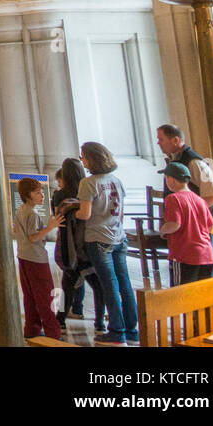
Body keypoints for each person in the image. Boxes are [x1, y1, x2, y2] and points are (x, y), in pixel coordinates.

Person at [76, 141, 138, 346]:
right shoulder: (116, 180)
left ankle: (117, 331)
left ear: (91, 159)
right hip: (118, 236)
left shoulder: (88, 183)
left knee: (109, 285)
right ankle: (131, 328)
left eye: (83, 156)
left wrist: (71, 210)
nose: (82, 160)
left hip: (99, 238)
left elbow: (85, 214)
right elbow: (120, 212)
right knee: (124, 284)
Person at [52, 157, 105, 331]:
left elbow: (57, 217)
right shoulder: (86, 190)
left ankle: (60, 320)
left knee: (66, 286)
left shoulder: (59, 195)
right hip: (87, 243)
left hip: (69, 244)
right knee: (98, 285)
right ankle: (99, 323)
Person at [156, 123, 213, 258]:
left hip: (202, 228)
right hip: (188, 230)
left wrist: (189, 214)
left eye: (161, 139)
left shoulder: (195, 163)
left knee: (207, 267)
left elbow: (212, 195)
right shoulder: (175, 161)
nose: (158, 143)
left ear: (175, 140)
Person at [13, 177, 64, 340]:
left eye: (41, 192)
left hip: (24, 256)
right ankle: (53, 333)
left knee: (30, 296)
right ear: (28, 195)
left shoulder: (21, 209)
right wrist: (50, 227)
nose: (42, 195)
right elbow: (33, 237)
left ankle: (32, 329)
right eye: (37, 193)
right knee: (45, 296)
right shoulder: (32, 213)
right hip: (35, 258)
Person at [160, 161, 213, 285]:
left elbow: (175, 224)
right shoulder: (200, 200)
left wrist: (163, 229)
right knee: (201, 295)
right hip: (206, 255)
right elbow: (211, 227)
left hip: (185, 255)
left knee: (181, 295)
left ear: (171, 180)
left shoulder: (173, 198)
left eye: (166, 178)